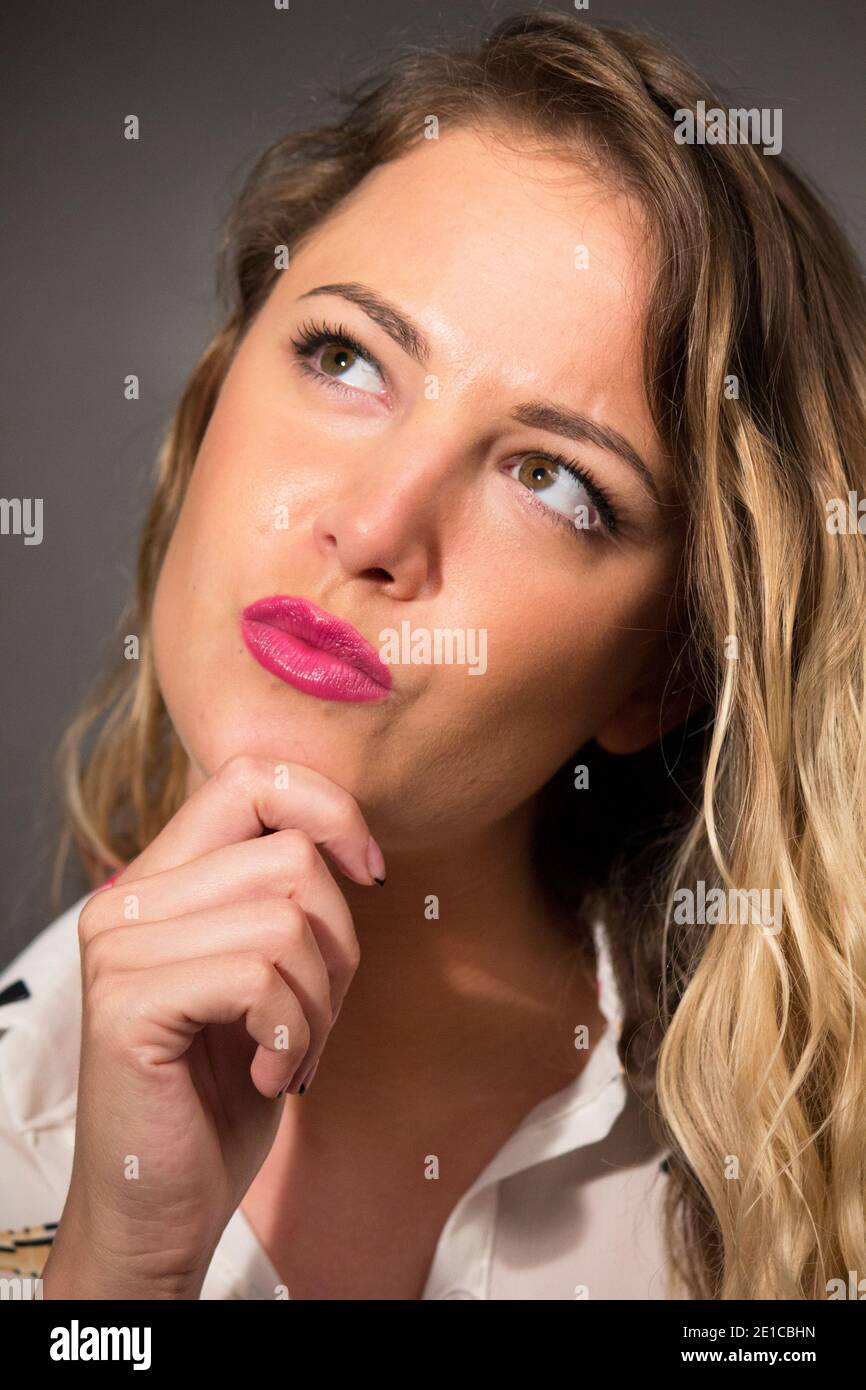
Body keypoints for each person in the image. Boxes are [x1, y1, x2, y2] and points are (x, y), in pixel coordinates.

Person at [1, 11, 864, 1300]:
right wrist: (119, 1276)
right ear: (211, 403)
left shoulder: (808, 1211)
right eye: (346, 357)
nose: (378, 523)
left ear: (661, 675)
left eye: (554, 480)